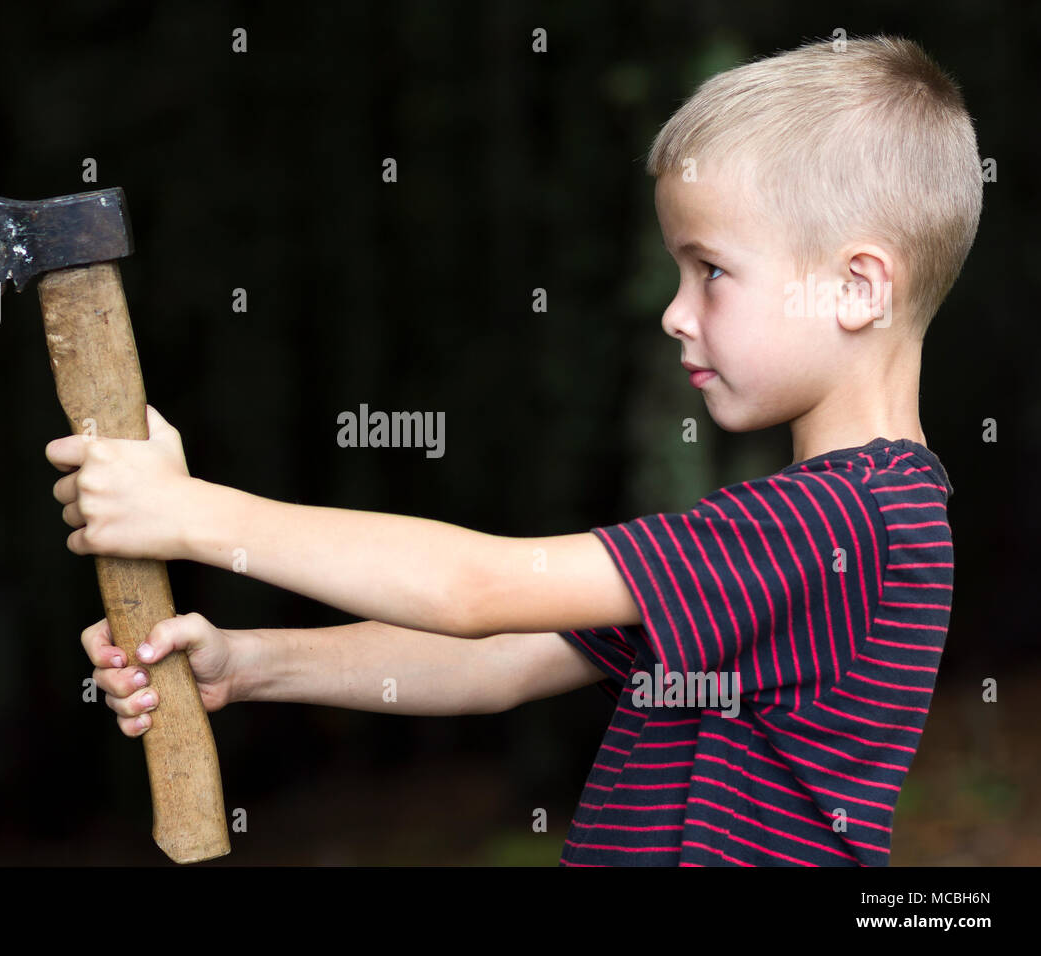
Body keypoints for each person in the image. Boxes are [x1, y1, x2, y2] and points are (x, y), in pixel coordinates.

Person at [47, 34, 979, 865]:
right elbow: (504, 658)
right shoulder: (822, 525)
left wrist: (194, 514)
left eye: (712, 271)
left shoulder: (844, 519)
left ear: (856, 288)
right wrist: (251, 663)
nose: (674, 313)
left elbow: (477, 590)